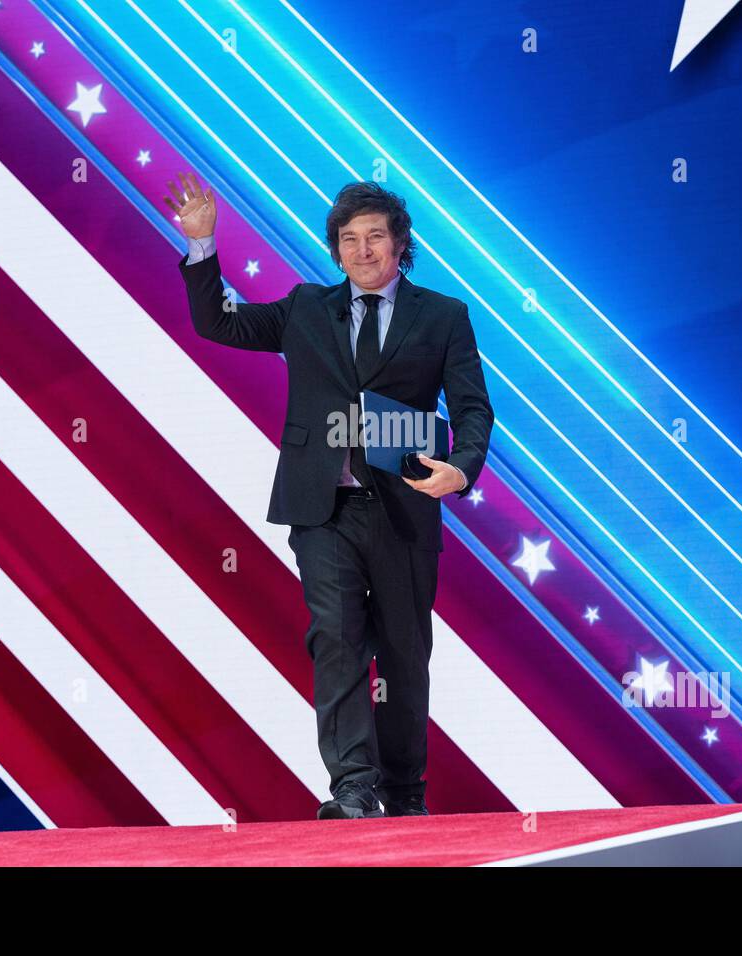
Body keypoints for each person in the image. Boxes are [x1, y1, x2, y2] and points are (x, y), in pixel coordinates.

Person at [167, 172, 494, 819]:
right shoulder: (305, 309)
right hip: (323, 508)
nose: (363, 251)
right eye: (350, 240)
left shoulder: (444, 316)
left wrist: (461, 467)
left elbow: (472, 408)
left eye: (376, 237)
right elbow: (218, 325)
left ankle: (404, 792)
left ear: (402, 245)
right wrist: (203, 247)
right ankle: (352, 788)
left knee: (404, 652)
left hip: (404, 508)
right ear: (336, 249)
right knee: (336, 639)